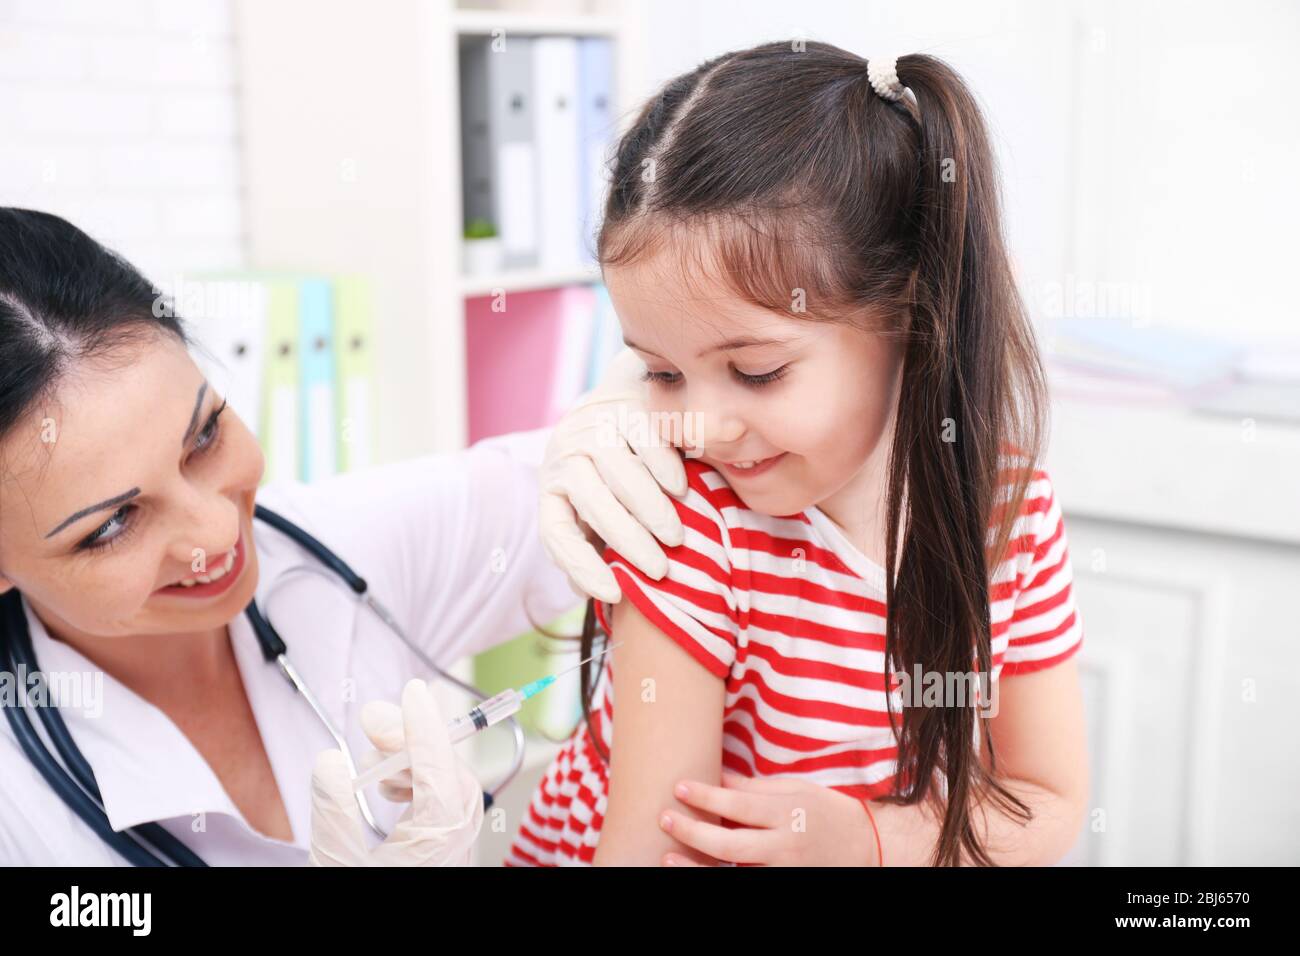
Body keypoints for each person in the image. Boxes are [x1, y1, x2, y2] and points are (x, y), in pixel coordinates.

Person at [506, 44, 1090, 867]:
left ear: (910, 314)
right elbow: (653, 849)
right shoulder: (688, 522)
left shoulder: (1011, 513)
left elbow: (1048, 800)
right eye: (661, 371)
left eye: (756, 371)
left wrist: (871, 841)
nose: (700, 427)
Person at [0, 206, 682, 865]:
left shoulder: (337, 546)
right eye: (114, 524)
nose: (216, 528)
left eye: (204, 437)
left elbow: (643, 479)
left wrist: (656, 388)